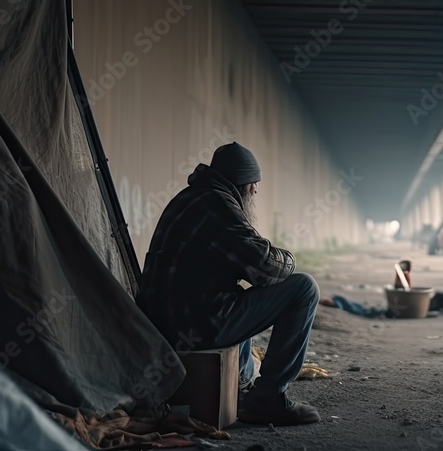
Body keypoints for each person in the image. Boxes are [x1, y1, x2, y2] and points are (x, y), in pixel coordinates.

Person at [137, 142, 320, 426]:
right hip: (192, 326)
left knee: (239, 291)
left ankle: (242, 385)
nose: (256, 192)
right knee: (304, 288)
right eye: (254, 185)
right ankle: (268, 399)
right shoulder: (217, 204)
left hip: (167, 323)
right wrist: (291, 260)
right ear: (244, 184)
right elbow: (263, 265)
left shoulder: (191, 197)